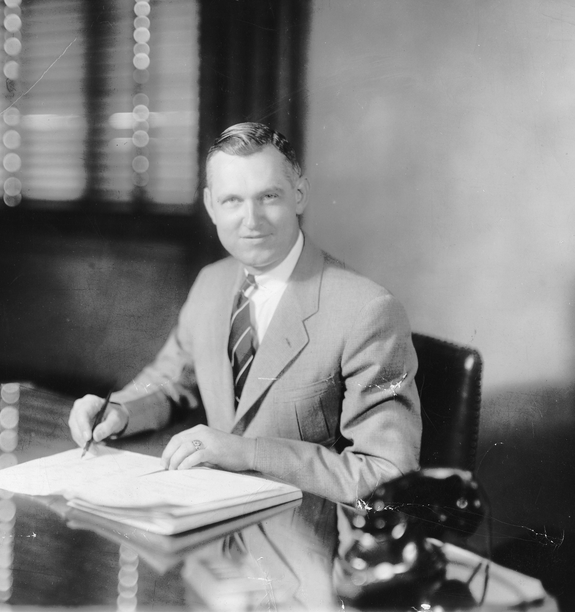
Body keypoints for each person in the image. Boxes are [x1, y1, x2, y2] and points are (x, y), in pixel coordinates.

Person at [69, 122, 421, 504]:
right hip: (212, 529)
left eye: (268, 196)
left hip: (308, 541)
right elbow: (173, 382)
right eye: (232, 200)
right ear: (210, 206)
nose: (251, 219)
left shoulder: (367, 311)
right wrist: (120, 410)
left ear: (299, 195)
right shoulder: (211, 283)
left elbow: (389, 476)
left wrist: (246, 452)